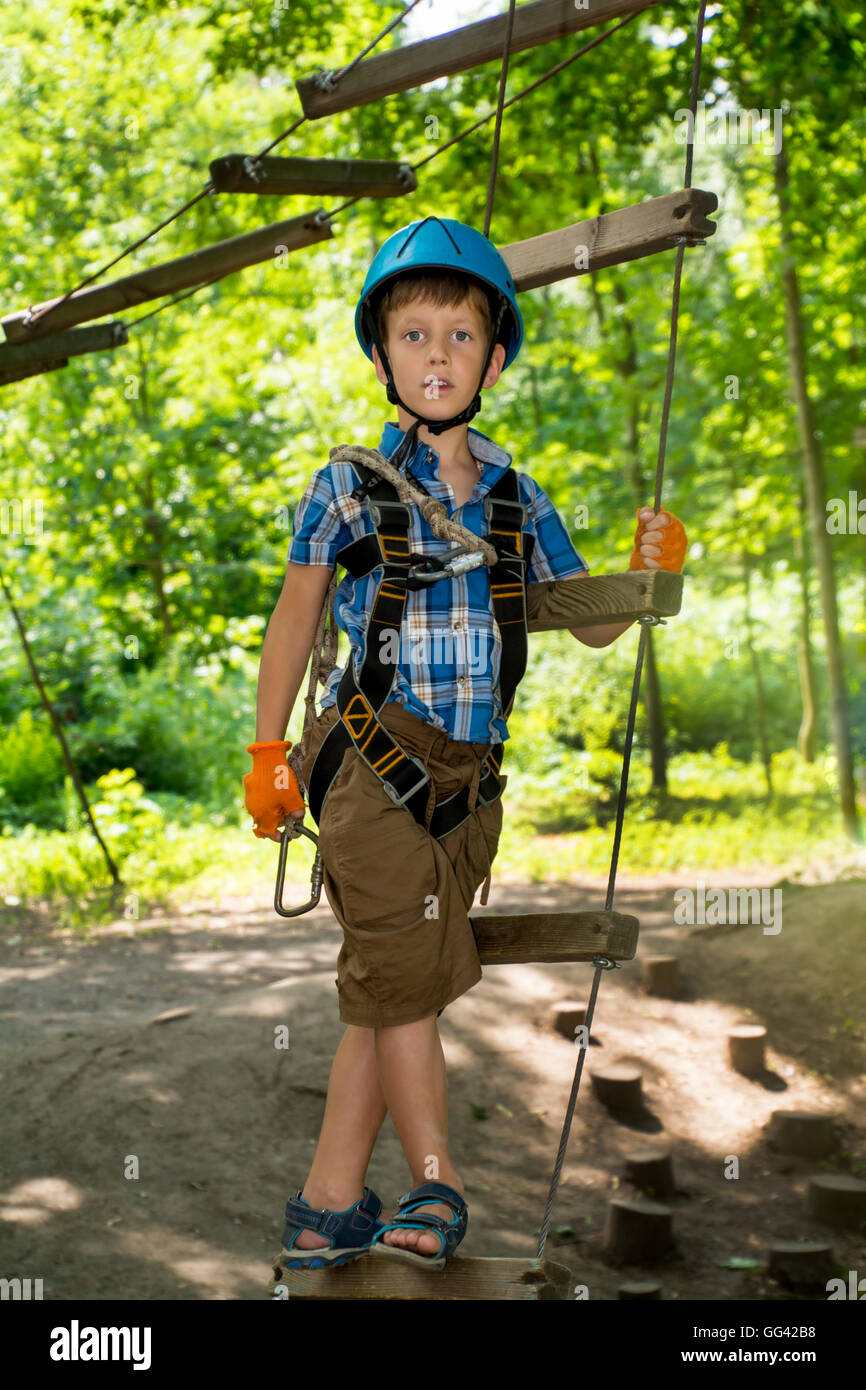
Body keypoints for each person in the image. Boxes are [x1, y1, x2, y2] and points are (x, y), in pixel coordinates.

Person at [243, 217, 687, 1272]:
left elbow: (585, 619)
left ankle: (326, 1201)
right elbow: (296, 617)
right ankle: (436, 1183)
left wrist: (644, 568)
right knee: (401, 979)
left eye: (457, 335)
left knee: (395, 983)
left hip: (468, 788)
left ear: (492, 359)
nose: (434, 355)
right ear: (380, 352)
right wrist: (268, 751)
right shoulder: (345, 483)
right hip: (369, 767)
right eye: (411, 334)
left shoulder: (516, 496)